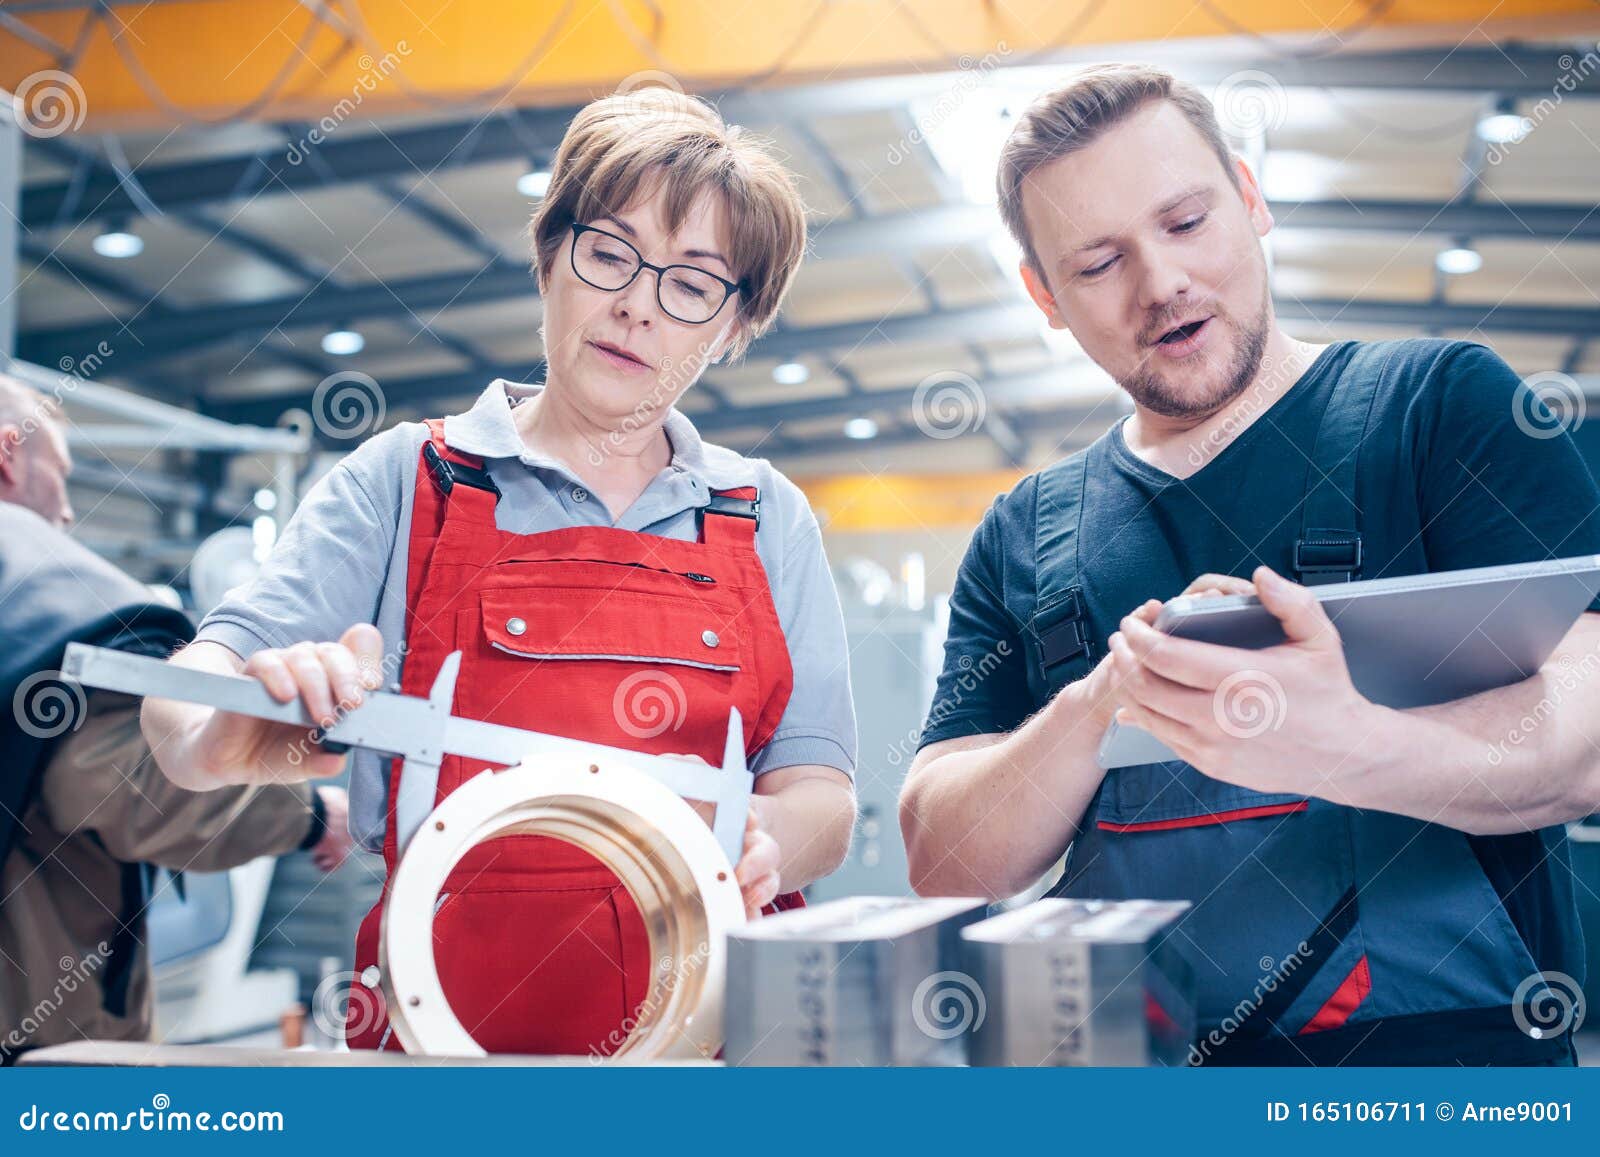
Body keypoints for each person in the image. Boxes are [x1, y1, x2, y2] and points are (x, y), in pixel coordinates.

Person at [900, 64, 1600, 1066]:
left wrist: (1339, 742)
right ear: (1043, 296)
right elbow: (944, 856)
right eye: (1097, 265)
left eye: (1185, 221)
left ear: (1250, 195)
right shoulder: (1026, 530)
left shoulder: (1437, 411)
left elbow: (1583, 739)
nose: (1161, 284)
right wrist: (1109, 696)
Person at [141, 88, 858, 1056]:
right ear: (549, 257)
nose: (635, 304)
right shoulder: (407, 479)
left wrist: (769, 836)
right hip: (441, 1051)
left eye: (690, 284)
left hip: (711, 1049)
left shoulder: (765, 515)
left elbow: (824, 795)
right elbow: (181, 715)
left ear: (730, 328)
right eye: (608, 252)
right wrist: (233, 729)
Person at [0, 374, 350, 1064]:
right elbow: (132, 785)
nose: (66, 513)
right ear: (8, 454)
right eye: (60, 475)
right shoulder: (34, 579)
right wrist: (310, 810)